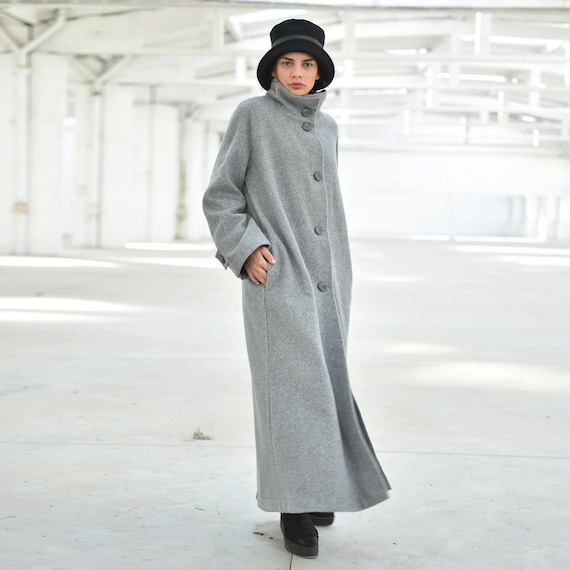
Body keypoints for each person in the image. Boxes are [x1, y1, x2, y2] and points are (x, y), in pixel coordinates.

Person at [202, 19, 390, 559]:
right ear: (272, 70)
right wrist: (245, 248)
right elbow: (221, 195)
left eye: (308, 64)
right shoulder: (252, 115)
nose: (298, 73)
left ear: (320, 72)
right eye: (288, 63)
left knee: (325, 384)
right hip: (279, 273)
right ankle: (293, 504)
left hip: (331, 277)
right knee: (289, 391)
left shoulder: (328, 127)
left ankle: (318, 487)